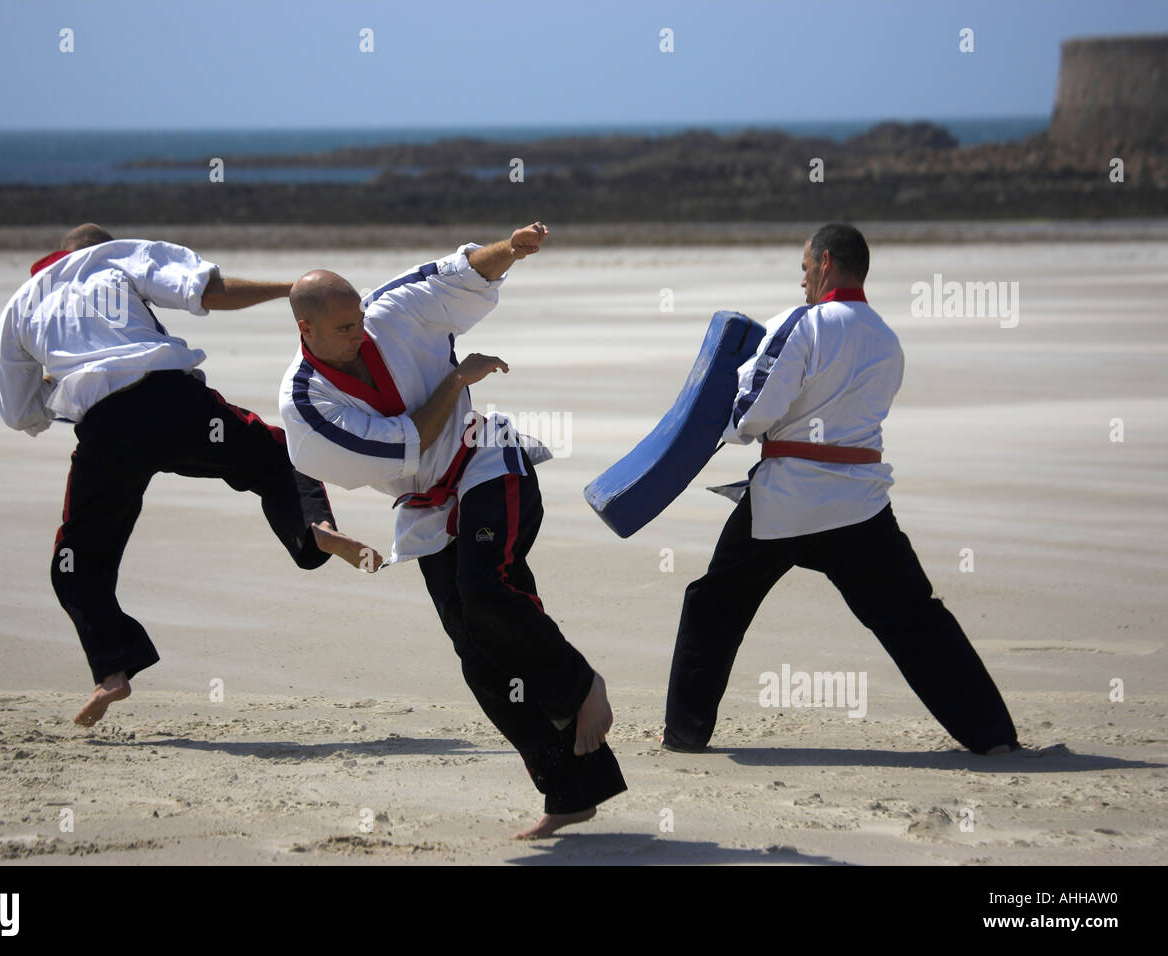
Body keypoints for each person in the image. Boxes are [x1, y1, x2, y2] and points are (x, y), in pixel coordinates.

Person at [278, 222, 626, 838]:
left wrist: (509, 251)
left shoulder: (389, 311)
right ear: (304, 330)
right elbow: (409, 445)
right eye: (343, 328)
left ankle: (581, 683)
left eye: (358, 318)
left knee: (486, 593)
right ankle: (571, 788)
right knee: (478, 653)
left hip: (488, 460)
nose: (360, 333)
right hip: (427, 505)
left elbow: (460, 273)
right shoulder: (307, 403)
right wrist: (456, 380)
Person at [0, 223, 379, 728]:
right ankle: (314, 528)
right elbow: (207, 291)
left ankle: (111, 670)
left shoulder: (22, 305)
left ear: (54, 255)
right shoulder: (116, 259)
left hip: (107, 433)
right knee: (277, 456)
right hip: (174, 405)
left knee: (75, 561)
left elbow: (20, 413)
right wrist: (293, 291)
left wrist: (61, 384)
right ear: (103, 245)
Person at [662, 222, 1020, 756]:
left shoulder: (802, 324)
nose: (802, 280)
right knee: (914, 619)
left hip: (788, 501)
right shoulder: (885, 337)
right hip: (861, 506)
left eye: (805, 269)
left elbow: (753, 415)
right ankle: (993, 738)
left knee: (714, 607)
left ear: (825, 263)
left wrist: (726, 420)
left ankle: (685, 738)